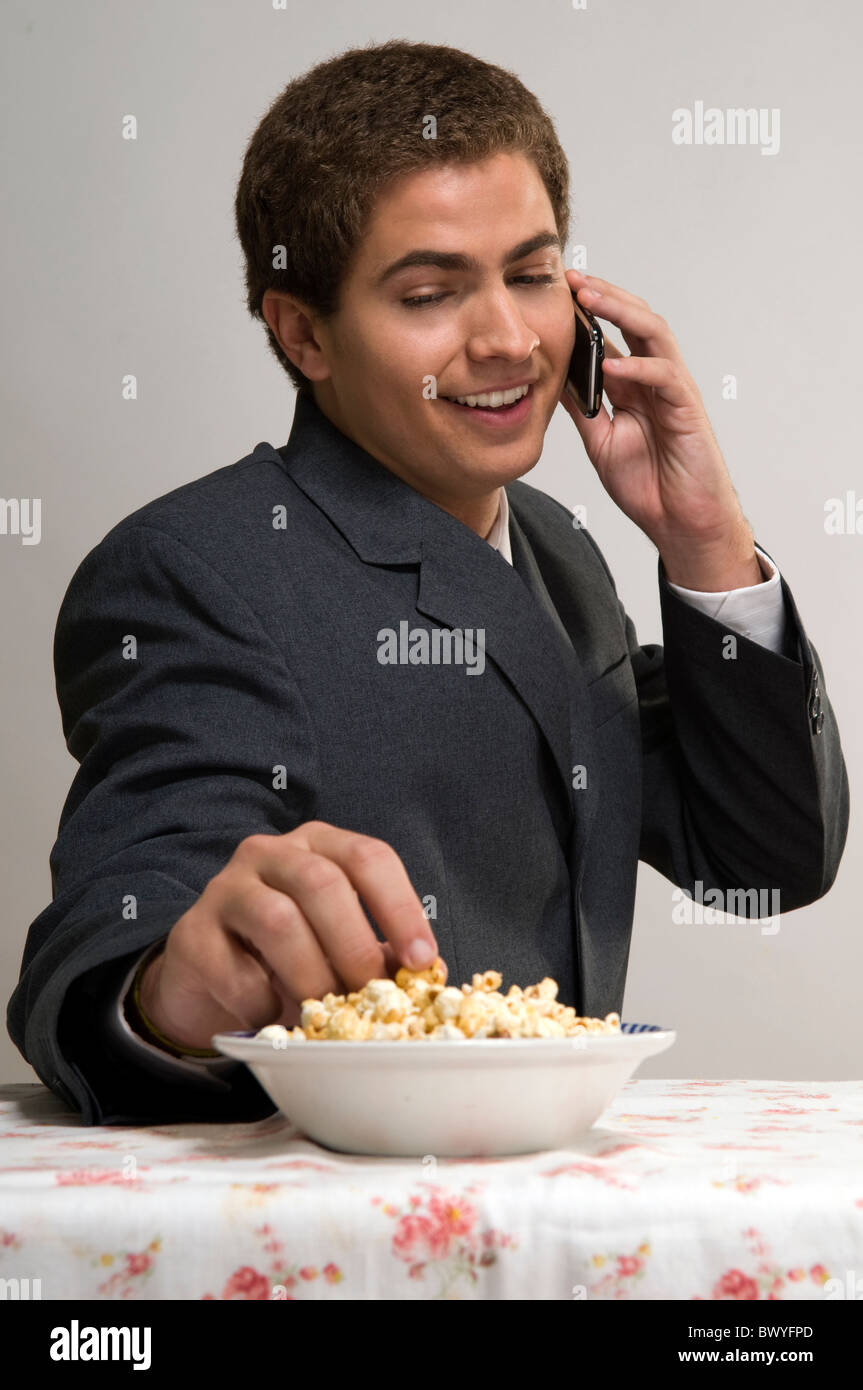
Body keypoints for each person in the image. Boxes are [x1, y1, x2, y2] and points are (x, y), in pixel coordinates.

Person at [8, 41, 849, 1124]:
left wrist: (704, 540)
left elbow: (766, 856)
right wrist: (168, 994)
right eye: (428, 293)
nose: (506, 340)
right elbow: (120, 932)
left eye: (533, 274)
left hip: (540, 1234)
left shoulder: (556, 550)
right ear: (302, 330)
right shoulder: (194, 569)